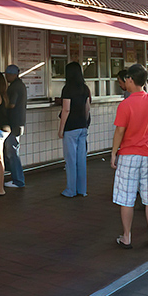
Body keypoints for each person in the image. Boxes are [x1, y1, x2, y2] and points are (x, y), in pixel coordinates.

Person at [112, 64, 148, 249]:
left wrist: (113, 152)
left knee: (126, 198)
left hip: (129, 154)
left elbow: (119, 131)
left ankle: (127, 237)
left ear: (130, 80)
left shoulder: (125, 105)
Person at [58, 62, 91, 198]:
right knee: (81, 160)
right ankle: (82, 190)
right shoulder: (85, 88)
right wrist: (85, 123)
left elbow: (66, 110)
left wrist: (61, 129)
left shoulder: (67, 89)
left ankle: (70, 190)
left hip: (71, 128)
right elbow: (87, 108)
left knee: (70, 160)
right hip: (83, 127)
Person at [4, 65, 26, 189]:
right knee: (12, 151)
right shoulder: (20, 85)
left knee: (12, 152)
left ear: (13, 75)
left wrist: (0, 103)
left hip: (13, 124)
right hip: (18, 123)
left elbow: (11, 104)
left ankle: (18, 180)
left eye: (7, 74)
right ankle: (15, 176)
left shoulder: (15, 87)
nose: (6, 77)